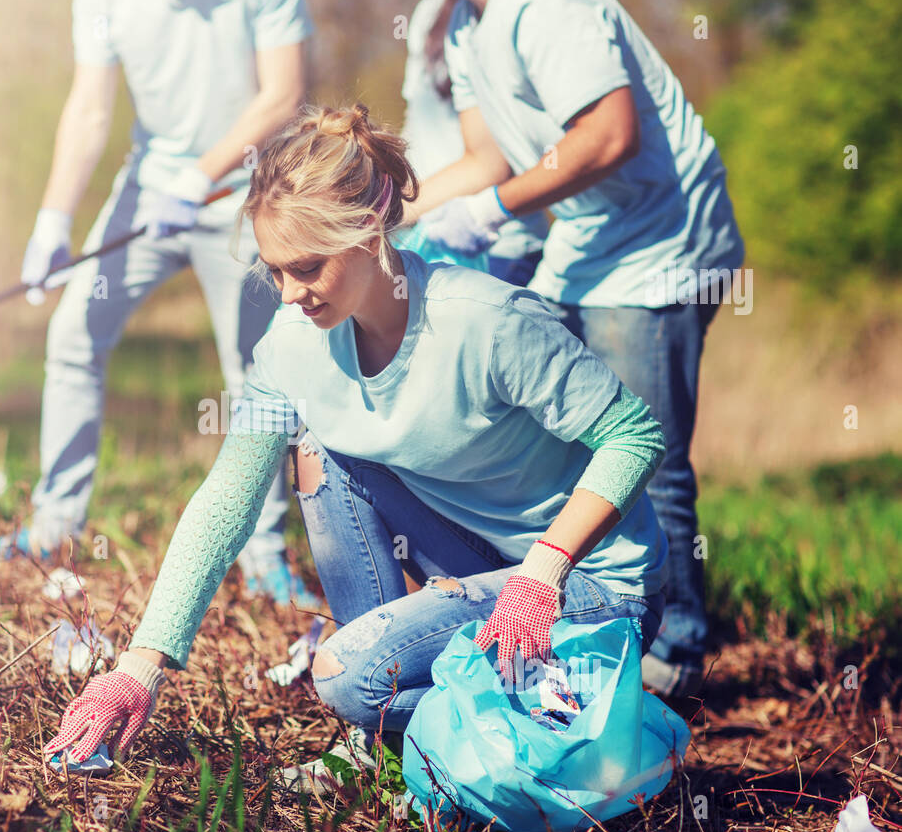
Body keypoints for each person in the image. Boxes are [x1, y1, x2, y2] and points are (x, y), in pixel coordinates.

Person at [43, 105, 670, 793]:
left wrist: (542, 571)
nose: (290, 295)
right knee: (320, 448)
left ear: (370, 228)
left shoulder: (487, 321)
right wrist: (140, 664)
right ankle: (423, 733)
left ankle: (554, 707)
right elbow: (228, 497)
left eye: (307, 267)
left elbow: (634, 437)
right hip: (474, 559)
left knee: (348, 675)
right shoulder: (292, 348)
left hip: (587, 582)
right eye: (274, 271)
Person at [406, 0, 745, 695]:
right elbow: (485, 159)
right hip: (587, 242)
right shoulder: (464, 24)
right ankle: (574, 611)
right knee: (554, 438)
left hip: (662, 247)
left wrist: (493, 210)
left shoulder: (547, 2)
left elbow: (608, 136)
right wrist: (377, 213)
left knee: (642, 450)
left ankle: (675, 655)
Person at [0, 0, 314, 606]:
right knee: (72, 337)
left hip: (246, 192)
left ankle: (263, 555)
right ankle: (53, 529)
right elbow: (91, 108)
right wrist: (53, 220)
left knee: (257, 373)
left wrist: (202, 174)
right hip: (147, 191)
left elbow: (283, 93)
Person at [398, 0, 548, 284]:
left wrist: (391, 210)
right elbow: (416, 120)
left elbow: (491, 162)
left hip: (496, 245)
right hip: (426, 240)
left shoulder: (522, 6)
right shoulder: (429, 11)